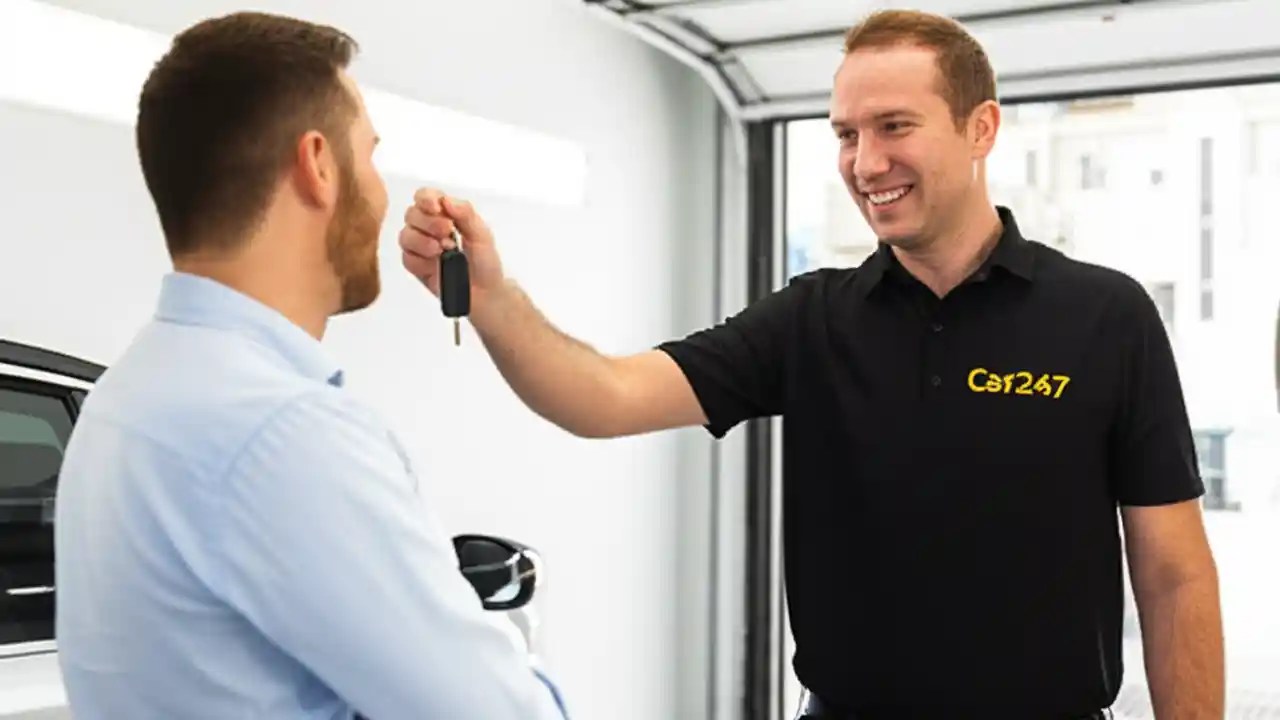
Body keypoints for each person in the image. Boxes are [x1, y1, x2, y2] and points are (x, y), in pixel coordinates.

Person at [398, 8, 1224, 719]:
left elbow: (1174, 574)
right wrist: (493, 299)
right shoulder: (812, 318)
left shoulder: (1105, 316)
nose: (866, 164)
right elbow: (603, 397)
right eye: (845, 135)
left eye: (895, 127)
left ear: (982, 128)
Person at [53, 12, 565, 720]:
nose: (383, 192)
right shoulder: (281, 430)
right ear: (318, 164)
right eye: (371, 154)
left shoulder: (125, 399)